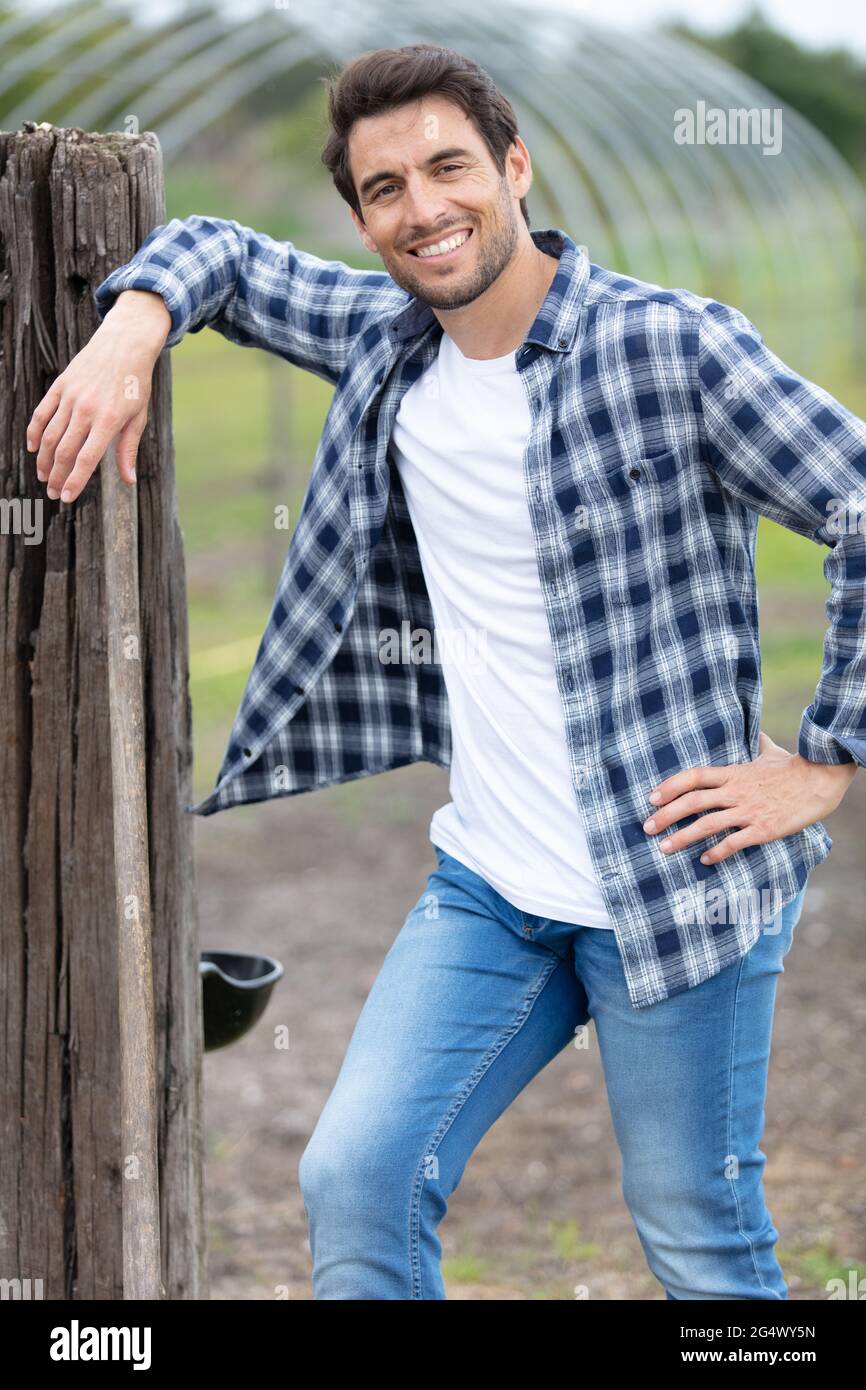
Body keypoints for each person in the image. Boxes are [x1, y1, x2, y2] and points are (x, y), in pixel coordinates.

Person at [27, 44, 864, 1300]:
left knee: (697, 1236)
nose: (421, 209)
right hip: (491, 883)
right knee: (354, 1180)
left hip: (677, 886)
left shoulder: (669, 350)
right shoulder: (383, 342)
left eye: (447, 167)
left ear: (514, 167)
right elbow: (227, 254)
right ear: (362, 216)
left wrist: (824, 763)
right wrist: (131, 328)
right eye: (382, 189)